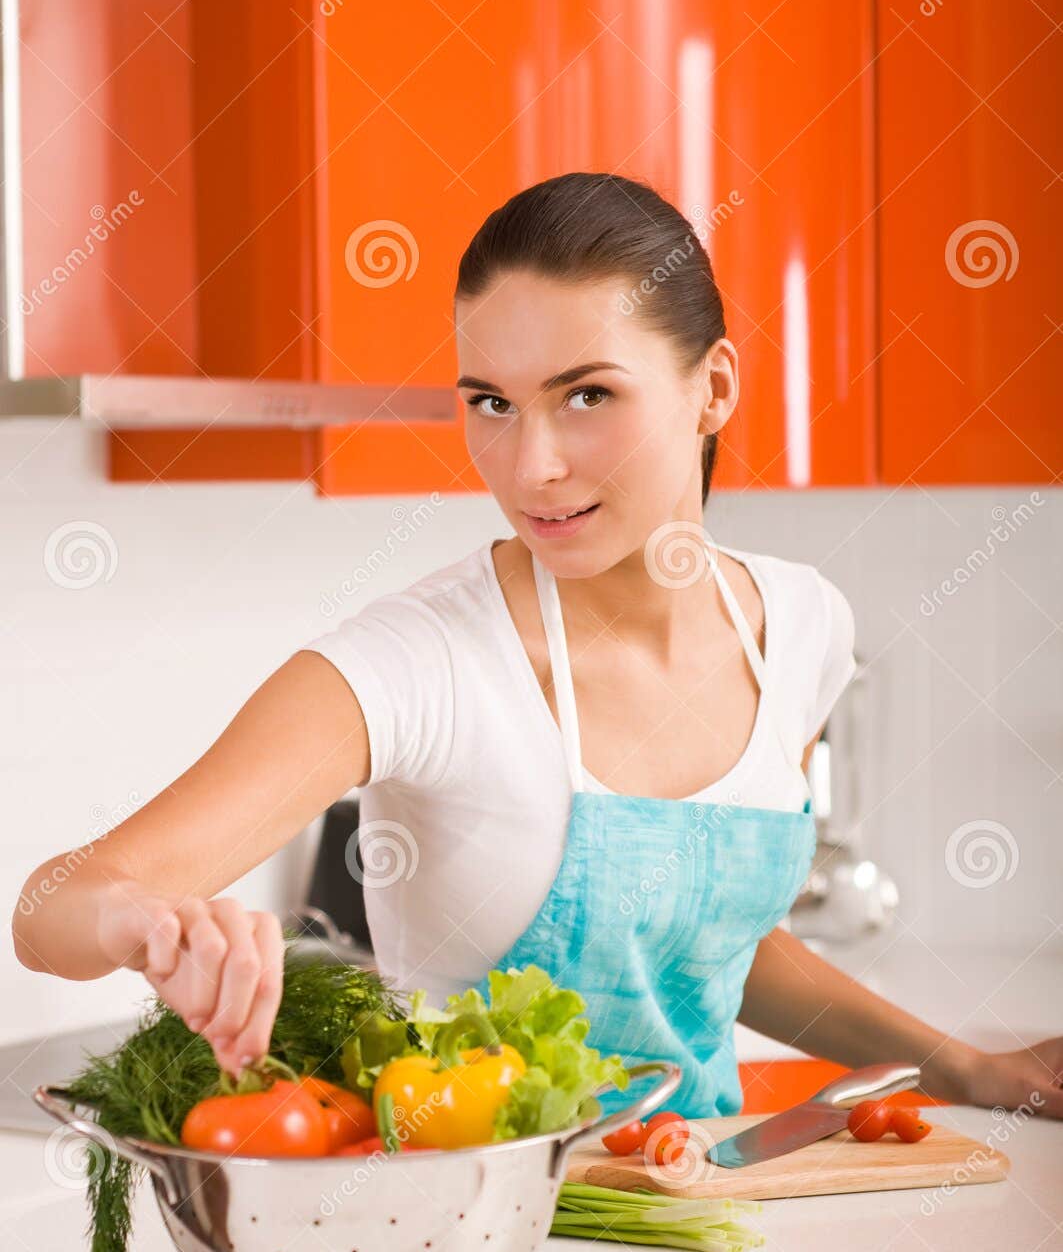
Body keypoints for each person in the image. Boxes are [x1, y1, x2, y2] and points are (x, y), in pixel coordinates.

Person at [12, 173, 1062, 1120]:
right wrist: (148, 932)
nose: (532, 465)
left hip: (702, 1225)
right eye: (492, 404)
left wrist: (965, 1067)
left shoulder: (799, 628)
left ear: (716, 388)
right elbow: (53, 905)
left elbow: (714, 951)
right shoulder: (417, 663)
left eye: (588, 394)